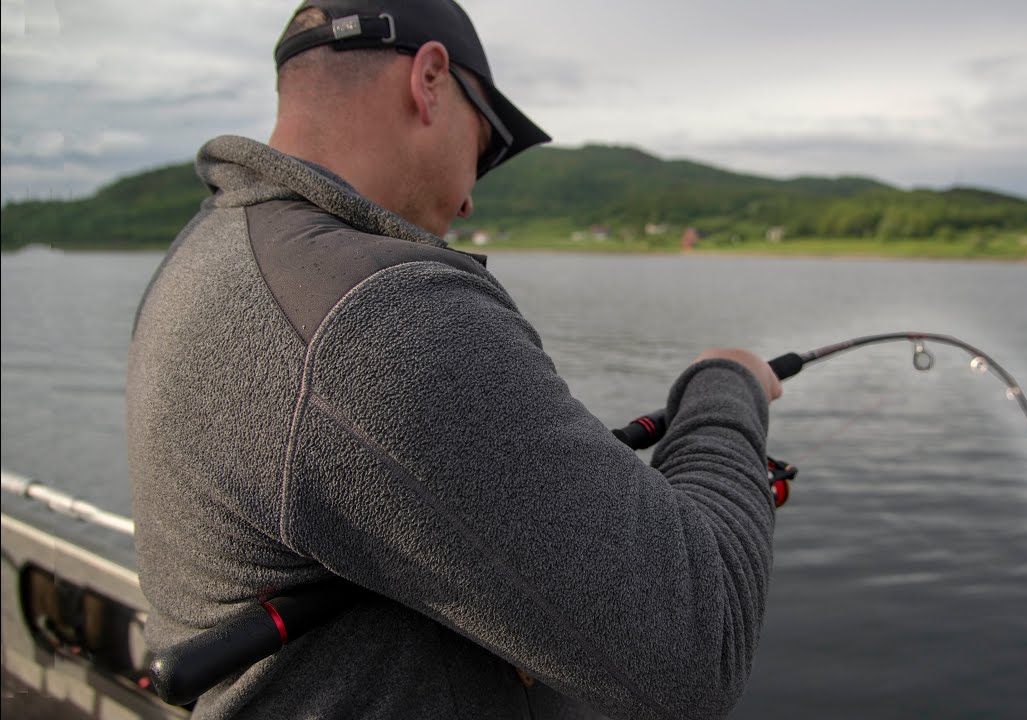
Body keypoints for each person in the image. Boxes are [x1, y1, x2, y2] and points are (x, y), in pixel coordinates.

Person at [127, 1, 782, 718]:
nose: (470, 198)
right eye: (486, 145)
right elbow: (695, 646)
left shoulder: (209, 257)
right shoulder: (376, 315)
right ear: (430, 80)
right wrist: (727, 388)